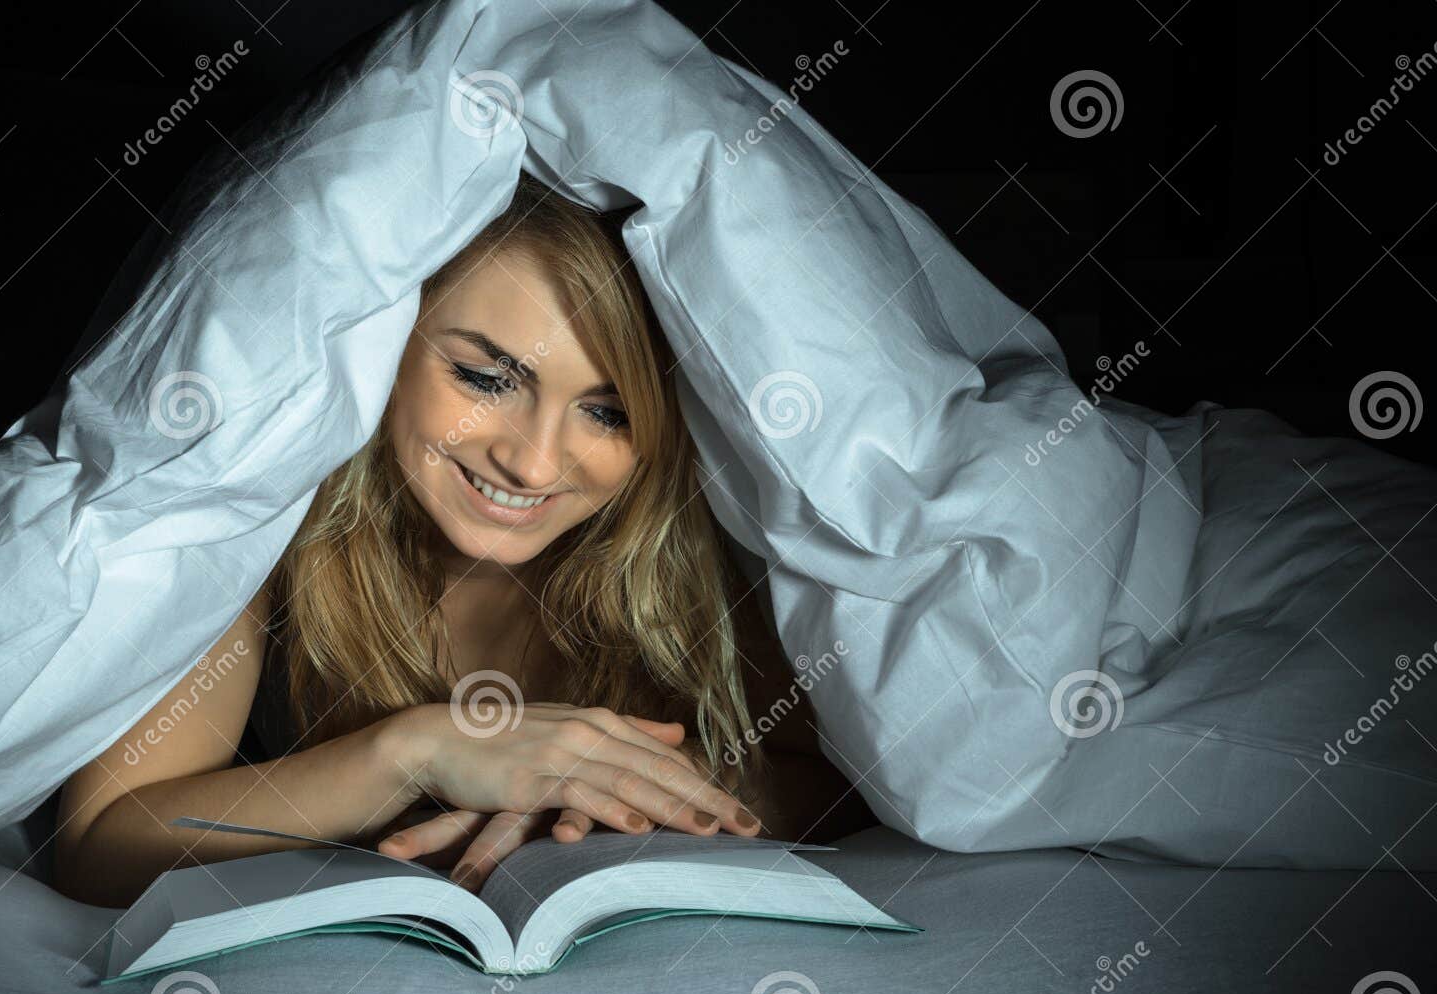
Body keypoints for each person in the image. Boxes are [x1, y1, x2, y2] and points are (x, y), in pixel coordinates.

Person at [53, 175, 874, 908]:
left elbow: (842, 783)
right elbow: (100, 847)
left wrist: (601, 781)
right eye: (485, 379)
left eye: (608, 411)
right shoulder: (265, 523)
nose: (532, 461)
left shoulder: (686, 550)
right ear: (384, 346)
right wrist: (410, 752)